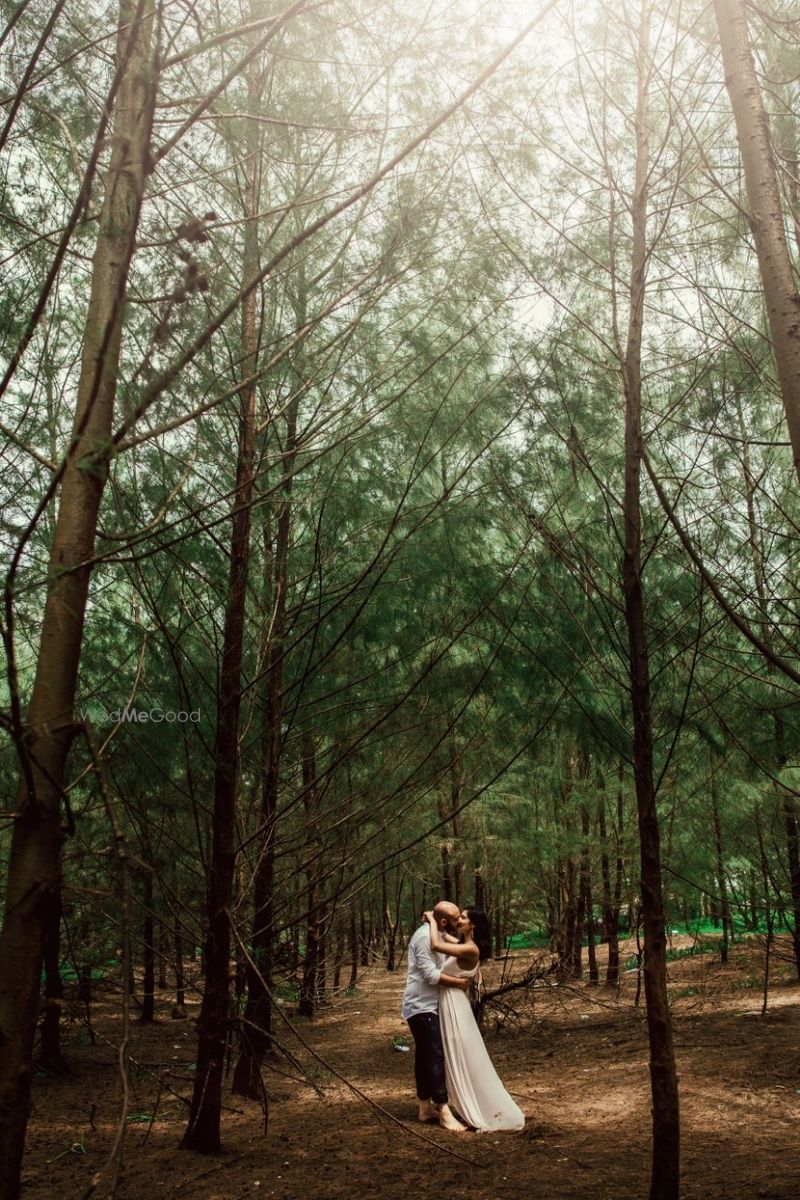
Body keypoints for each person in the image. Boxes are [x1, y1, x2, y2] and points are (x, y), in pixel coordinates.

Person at [424, 906, 525, 1132]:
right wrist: (437, 922)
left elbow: (436, 944)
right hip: (450, 1000)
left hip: (454, 1004)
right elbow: (444, 938)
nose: (458, 920)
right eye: (458, 917)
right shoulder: (463, 945)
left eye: (463, 917)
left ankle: (475, 1103)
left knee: (461, 1052)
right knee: (454, 1052)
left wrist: (432, 921)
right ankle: (456, 1098)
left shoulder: (471, 949)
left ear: (474, 925)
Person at [401, 900, 472, 1131]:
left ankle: (424, 1107)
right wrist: (460, 983)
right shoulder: (424, 937)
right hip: (421, 1005)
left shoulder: (437, 933)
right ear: (444, 922)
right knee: (434, 1055)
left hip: (431, 1004)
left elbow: (460, 944)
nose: (458, 922)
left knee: (424, 1055)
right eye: (455, 919)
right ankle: (442, 1108)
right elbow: (431, 975)